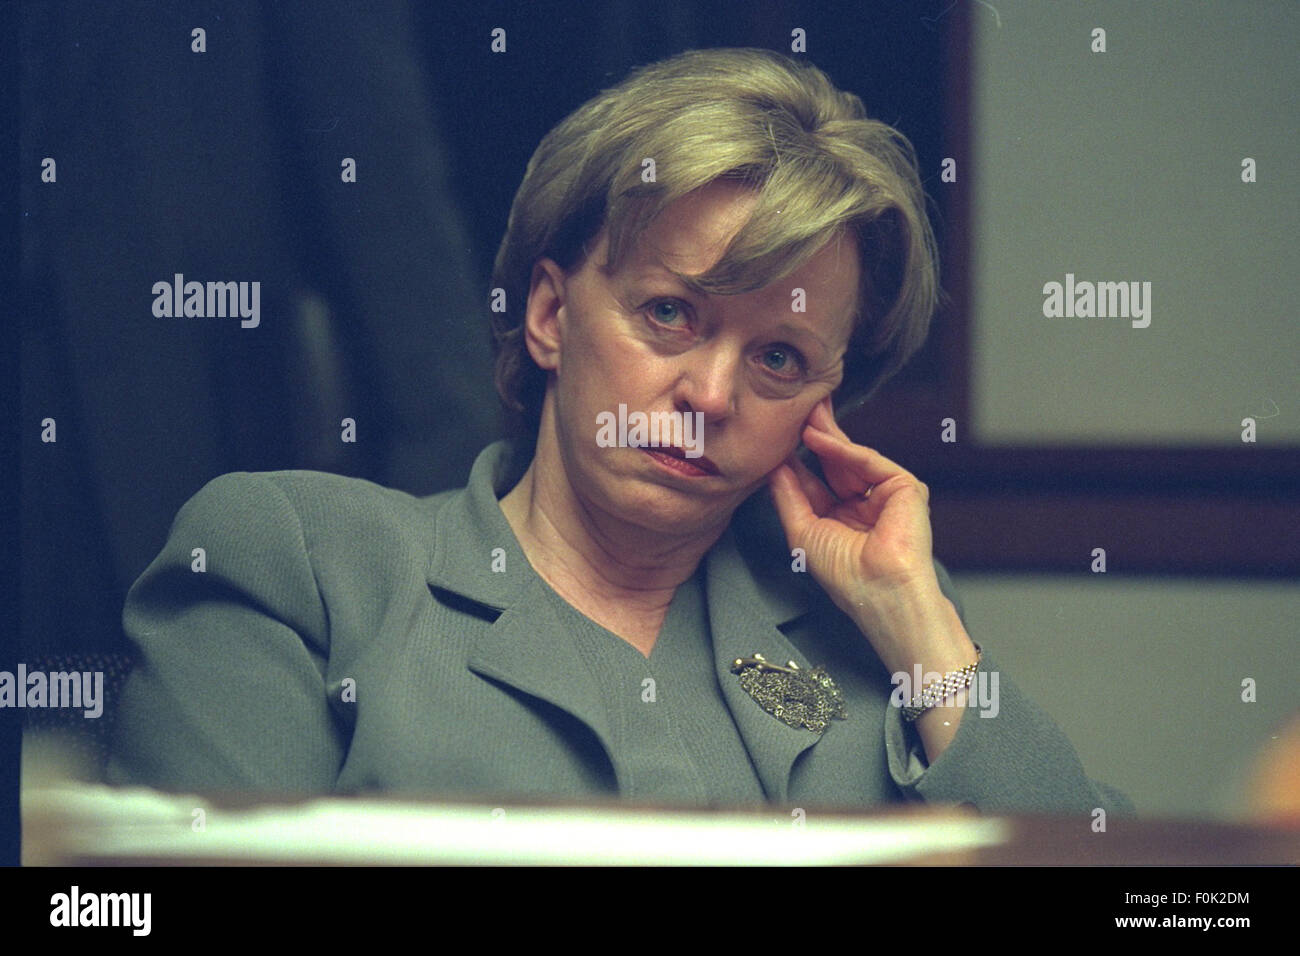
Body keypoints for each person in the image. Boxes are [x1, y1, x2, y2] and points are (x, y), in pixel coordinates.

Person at [107, 47, 1131, 816]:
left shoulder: (873, 627)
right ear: (551, 317)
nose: (710, 393)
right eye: (670, 314)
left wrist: (924, 631)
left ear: (823, 401)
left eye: (779, 357)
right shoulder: (303, 568)